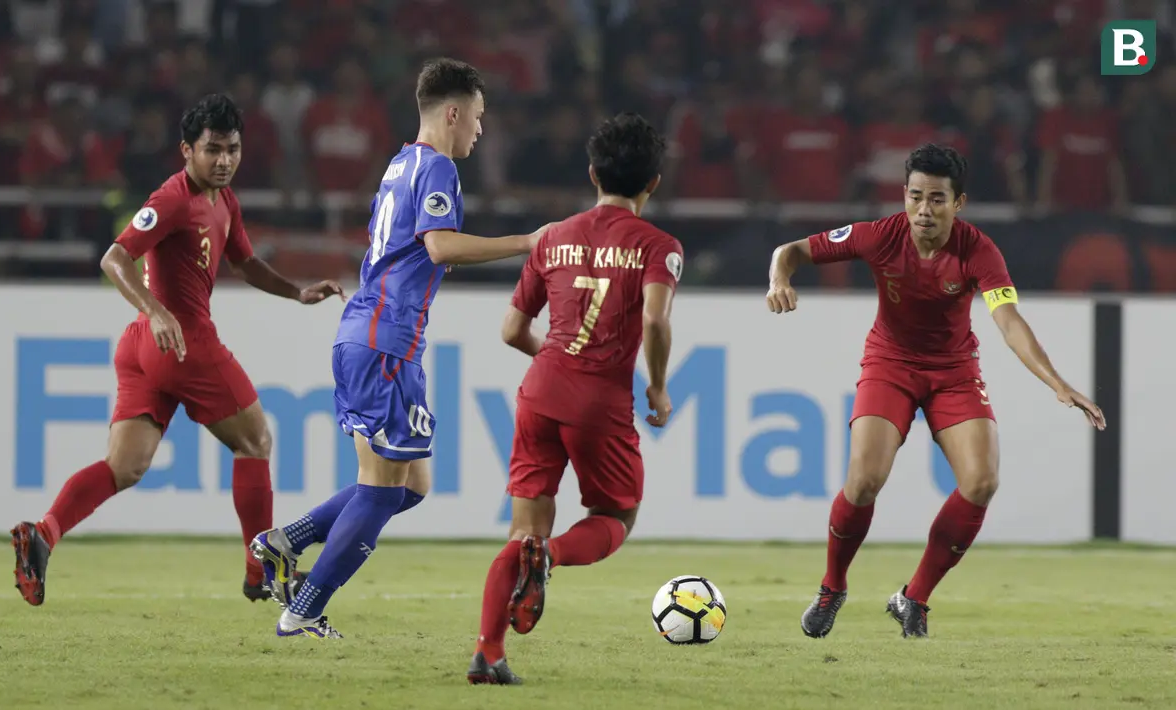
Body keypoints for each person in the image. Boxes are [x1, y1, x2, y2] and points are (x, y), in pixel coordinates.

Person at [249, 58, 551, 640]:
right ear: (455, 112)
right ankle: (304, 608)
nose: (480, 131)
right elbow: (439, 247)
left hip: (369, 333)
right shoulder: (437, 167)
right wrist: (526, 242)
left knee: (410, 485)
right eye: (479, 119)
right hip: (385, 340)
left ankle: (284, 542)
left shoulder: (399, 164)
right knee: (383, 488)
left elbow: (408, 251)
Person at [10, 94, 345, 606]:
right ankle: (263, 573)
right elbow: (115, 258)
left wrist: (296, 291)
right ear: (186, 150)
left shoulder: (224, 200)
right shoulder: (171, 199)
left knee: (125, 467)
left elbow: (247, 264)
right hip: (181, 340)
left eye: (232, 149)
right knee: (255, 441)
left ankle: (45, 533)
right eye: (212, 150)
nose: (224, 160)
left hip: (146, 349)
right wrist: (157, 310)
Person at [766, 143, 1106, 639]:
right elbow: (789, 252)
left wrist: (1056, 383)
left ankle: (914, 597)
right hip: (890, 364)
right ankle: (832, 587)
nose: (924, 210)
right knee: (863, 481)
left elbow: (1008, 321)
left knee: (982, 481)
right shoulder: (880, 235)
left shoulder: (978, 250)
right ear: (904, 195)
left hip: (954, 371)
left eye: (937, 200)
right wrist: (779, 279)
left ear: (959, 202)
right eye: (916, 197)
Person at [467, 113, 683, 684]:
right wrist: (657, 384)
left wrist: (552, 361)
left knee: (522, 531)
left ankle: (488, 652)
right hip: (600, 401)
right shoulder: (658, 246)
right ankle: (553, 558)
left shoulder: (554, 235)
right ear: (653, 183)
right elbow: (657, 322)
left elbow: (512, 330)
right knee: (616, 513)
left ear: (592, 173)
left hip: (539, 391)